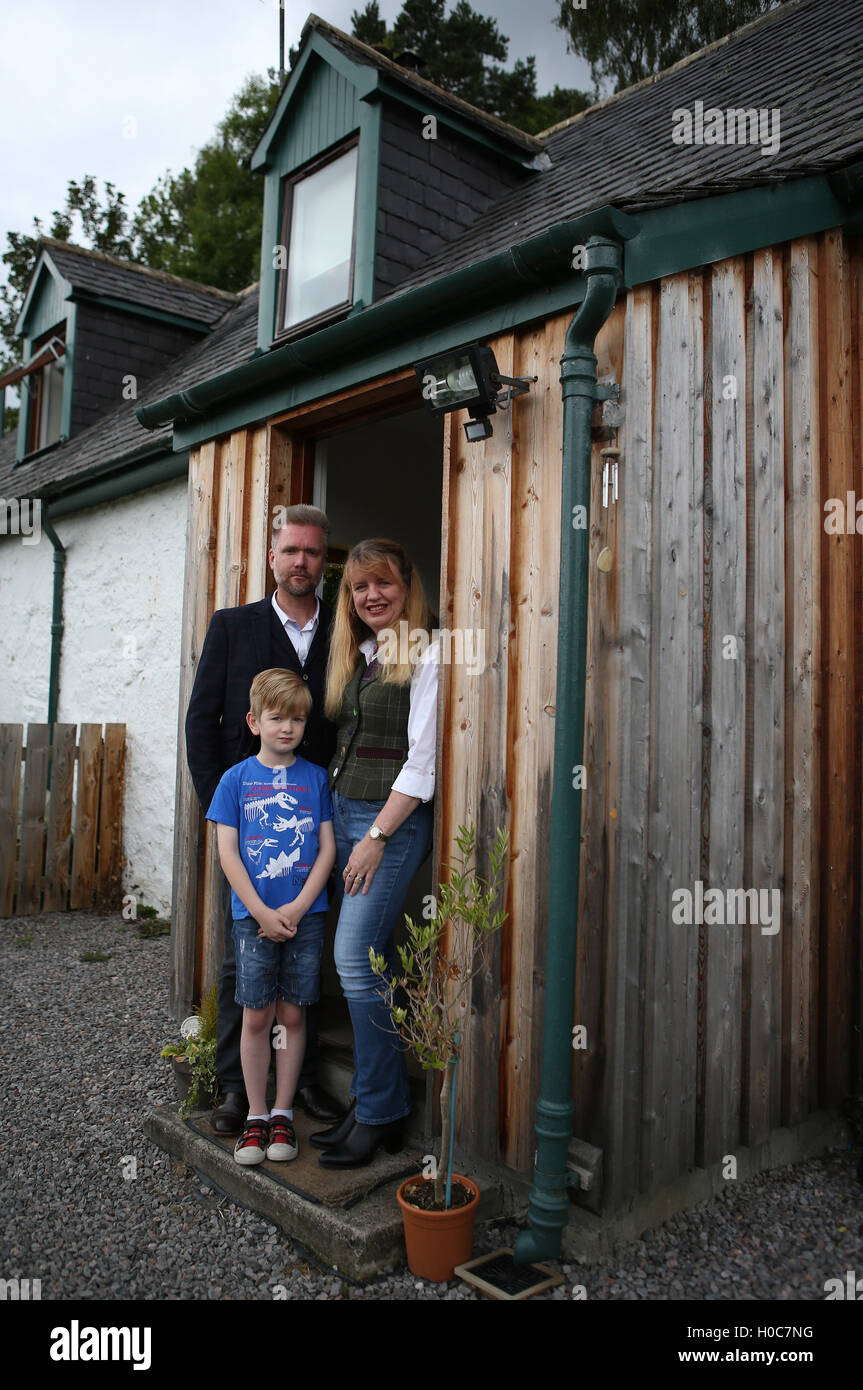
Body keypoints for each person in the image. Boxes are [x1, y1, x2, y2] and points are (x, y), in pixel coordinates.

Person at [185, 505, 342, 1134]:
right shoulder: (233, 626)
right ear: (272, 558)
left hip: (316, 819)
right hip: (247, 825)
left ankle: (298, 1087)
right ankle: (233, 1089)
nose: (301, 561)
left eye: (312, 552)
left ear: (323, 560)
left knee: (306, 953)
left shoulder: (344, 630)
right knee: (242, 963)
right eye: (290, 550)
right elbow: (202, 724)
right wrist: (224, 814)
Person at [311, 538, 438, 1169]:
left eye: (383, 583)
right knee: (372, 959)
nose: (371, 596)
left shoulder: (430, 652)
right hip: (344, 813)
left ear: (406, 584)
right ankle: (371, 1106)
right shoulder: (358, 654)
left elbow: (422, 764)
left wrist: (375, 837)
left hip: (387, 824)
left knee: (354, 964)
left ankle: (383, 1108)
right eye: (360, 587)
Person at [206, 669, 336, 1165]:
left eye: (297, 719)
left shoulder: (315, 778)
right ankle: (256, 1114)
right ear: (254, 721)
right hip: (253, 919)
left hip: (306, 916)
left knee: (294, 1013)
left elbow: (326, 849)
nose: (287, 727)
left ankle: (284, 1112)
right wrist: (261, 910)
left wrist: (299, 906)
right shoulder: (234, 780)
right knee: (257, 1014)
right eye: (276, 717)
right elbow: (229, 855)